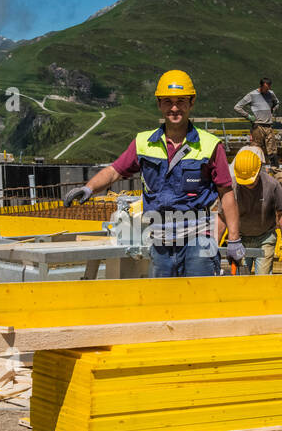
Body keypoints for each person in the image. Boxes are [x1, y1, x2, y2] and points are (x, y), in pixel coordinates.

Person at [63, 69, 243, 277]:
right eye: (167, 101)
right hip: (160, 242)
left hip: (198, 241)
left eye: (181, 101)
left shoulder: (210, 145)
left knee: (199, 302)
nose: (174, 108)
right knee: (161, 303)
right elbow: (114, 171)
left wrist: (235, 239)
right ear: (159, 104)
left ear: (191, 103)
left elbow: (226, 193)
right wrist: (89, 188)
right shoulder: (143, 144)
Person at [231, 146, 282, 275]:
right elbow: (223, 216)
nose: (247, 185)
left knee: (262, 279)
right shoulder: (232, 187)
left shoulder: (272, 184)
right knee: (242, 280)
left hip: (265, 238)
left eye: (250, 182)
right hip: (240, 239)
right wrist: (215, 244)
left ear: (258, 171)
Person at [234, 77, 281, 169]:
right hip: (257, 127)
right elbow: (237, 107)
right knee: (256, 149)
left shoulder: (271, 94)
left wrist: (273, 110)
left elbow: (277, 103)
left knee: (273, 151)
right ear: (261, 86)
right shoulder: (252, 95)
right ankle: (255, 171)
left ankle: (278, 177)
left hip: (269, 126)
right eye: (265, 88)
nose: (267, 90)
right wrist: (248, 116)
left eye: (269, 88)